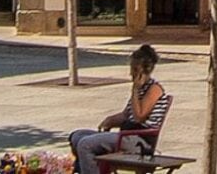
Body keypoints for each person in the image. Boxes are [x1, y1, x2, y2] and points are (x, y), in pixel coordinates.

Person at [69, 44, 168, 174]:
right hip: (126, 135)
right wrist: (109, 120)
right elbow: (127, 114)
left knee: (85, 144)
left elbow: (139, 116)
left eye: (134, 69)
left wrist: (135, 89)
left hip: (139, 140)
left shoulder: (154, 89)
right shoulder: (140, 90)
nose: (130, 73)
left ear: (144, 71)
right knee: (77, 136)